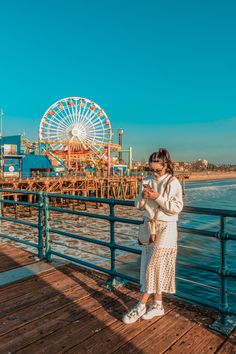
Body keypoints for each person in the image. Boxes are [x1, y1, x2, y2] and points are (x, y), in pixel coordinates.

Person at [122, 148, 183, 324]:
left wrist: (157, 197)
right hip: (150, 227)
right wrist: (142, 196)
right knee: (151, 265)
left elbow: (176, 207)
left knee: (154, 266)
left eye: (158, 170)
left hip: (167, 228)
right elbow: (138, 205)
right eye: (151, 169)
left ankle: (140, 305)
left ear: (166, 167)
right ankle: (158, 304)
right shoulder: (146, 180)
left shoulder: (173, 182)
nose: (154, 173)